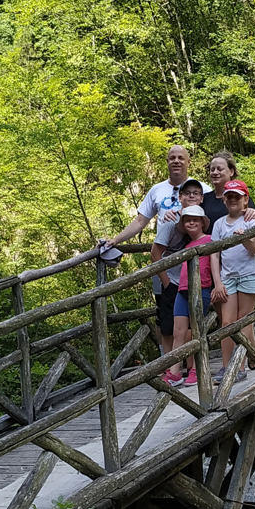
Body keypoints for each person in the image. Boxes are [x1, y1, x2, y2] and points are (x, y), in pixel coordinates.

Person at [104, 145, 209, 353]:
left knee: (193, 315)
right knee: (165, 314)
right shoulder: (157, 190)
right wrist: (116, 240)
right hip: (164, 263)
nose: (176, 161)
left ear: (188, 161)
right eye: (172, 158)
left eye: (181, 157)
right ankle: (167, 360)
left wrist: (247, 210)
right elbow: (141, 220)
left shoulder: (202, 189)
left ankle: (191, 360)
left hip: (193, 265)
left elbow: (219, 210)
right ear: (167, 162)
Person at [151, 179, 205, 383]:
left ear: (201, 198)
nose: (192, 196)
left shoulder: (198, 223)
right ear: (180, 198)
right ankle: (169, 366)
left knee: (189, 325)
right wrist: (166, 283)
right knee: (168, 325)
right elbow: (155, 254)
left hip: (188, 281)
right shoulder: (170, 223)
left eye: (196, 193)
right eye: (187, 193)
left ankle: (190, 367)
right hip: (169, 280)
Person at [165, 206, 226, 386]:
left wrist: (218, 284)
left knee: (195, 332)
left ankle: (197, 370)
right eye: (187, 220)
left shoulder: (209, 240)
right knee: (179, 332)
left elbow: (217, 263)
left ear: (202, 223)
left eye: (195, 220)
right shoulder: (186, 245)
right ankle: (175, 372)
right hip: (182, 290)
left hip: (201, 289)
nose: (191, 222)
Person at [211, 180, 255, 384]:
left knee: (243, 320)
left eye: (237, 197)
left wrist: (245, 238)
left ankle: (239, 367)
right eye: (229, 196)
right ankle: (226, 366)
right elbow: (213, 255)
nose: (233, 200)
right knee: (226, 322)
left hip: (249, 274)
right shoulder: (219, 224)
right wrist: (217, 283)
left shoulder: (252, 220)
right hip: (228, 277)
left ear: (245, 200)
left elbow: (254, 249)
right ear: (224, 200)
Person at [204, 150, 255, 228]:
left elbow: (253, 225)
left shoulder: (241, 198)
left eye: (220, 169)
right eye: (212, 170)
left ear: (231, 172)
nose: (215, 172)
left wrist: (252, 212)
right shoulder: (204, 198)